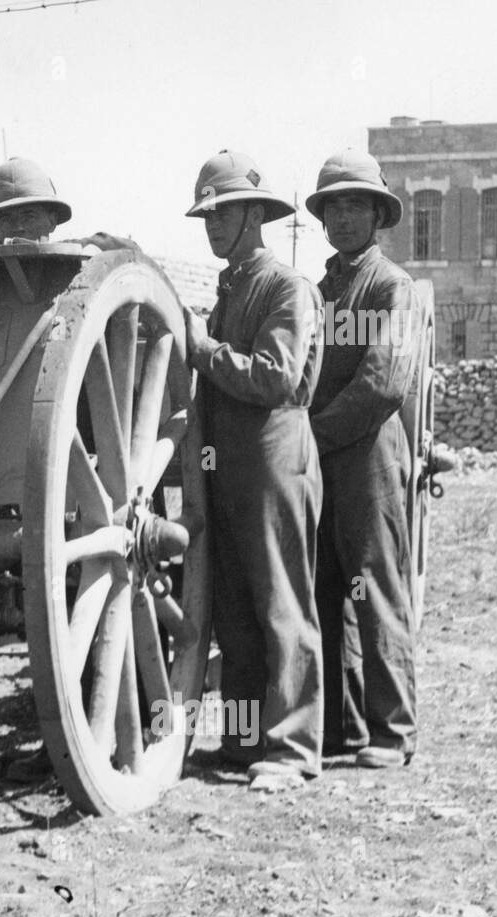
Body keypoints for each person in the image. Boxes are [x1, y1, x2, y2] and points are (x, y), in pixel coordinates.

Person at [182, 150, 325, 791]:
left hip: (273, 463)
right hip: (230, 468)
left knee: (281, 606)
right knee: (235, 611)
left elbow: (277, 377)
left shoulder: (285, 288)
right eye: (207, 214)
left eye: (224, 212)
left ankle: (292, 750)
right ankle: (243, 742)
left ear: (254, 216)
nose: (213, 225)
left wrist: (203, 349)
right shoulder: (232, 289)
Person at [305, 150, 419, 769]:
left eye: (356, 205)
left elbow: (382, 384)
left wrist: (311, 436)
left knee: (375, 589)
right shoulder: (320, 289)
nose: (344, 217)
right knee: (325, 589)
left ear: (378, 213)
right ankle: (338, 728)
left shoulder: (390, 286)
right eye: (334, 206)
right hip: (321, 459)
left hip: (369, 457)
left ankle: (393, 730)